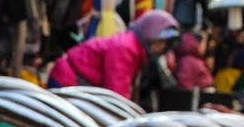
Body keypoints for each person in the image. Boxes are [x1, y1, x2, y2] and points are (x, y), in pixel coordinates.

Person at [47, 9, 180, 100]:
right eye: (159, 42)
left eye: (164, 45)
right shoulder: (126, 48)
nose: (160, 48)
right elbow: (117, 93)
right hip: (67, 82)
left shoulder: (133, 47)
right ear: (148, 34)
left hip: (71, 82)